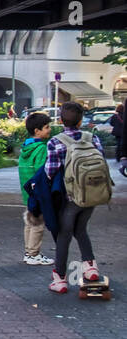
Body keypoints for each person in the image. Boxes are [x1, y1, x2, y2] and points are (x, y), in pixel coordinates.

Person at [44, 101, 112, 293]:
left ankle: (60, 279)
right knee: (81, 229)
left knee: (64, 234)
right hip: (92, 194)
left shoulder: (56, 141)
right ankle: (90, 267)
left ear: (61, 120)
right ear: (81, 121)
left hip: (70, 198)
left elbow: (50, 172)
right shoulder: (93, 138)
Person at [17, 112, 54, 266]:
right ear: (37, 131)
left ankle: (28, 252)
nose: (49, 130)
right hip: (38, 191)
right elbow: (41, 171)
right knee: (38, 223)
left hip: (28, 192)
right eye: (47, 127)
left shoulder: (26, 148)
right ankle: (33, 254)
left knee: (30, 221)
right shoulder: (41, 149)